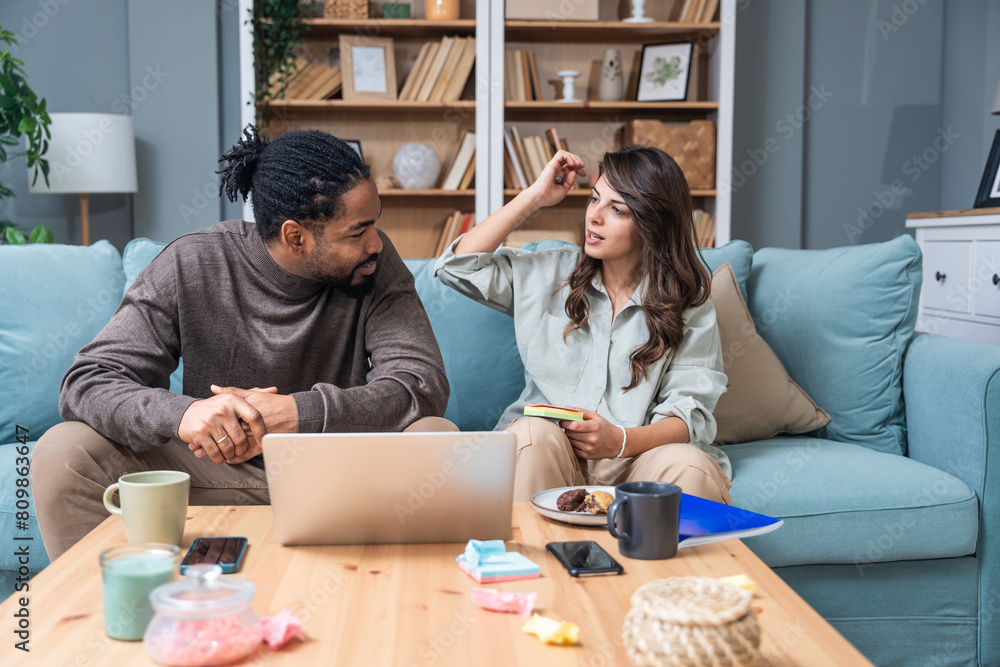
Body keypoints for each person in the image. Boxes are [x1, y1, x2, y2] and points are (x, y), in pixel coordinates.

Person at [31, 125, 453, 559]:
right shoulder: (193, 262)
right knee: (64, 452)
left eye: (375, 223)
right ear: (295, 237)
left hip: (338, 470)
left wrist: (296, 413)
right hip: (214, 471)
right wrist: (185, 414)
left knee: (436, 438)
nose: (375, 242)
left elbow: (420, 383)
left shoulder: (375, 264)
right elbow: (89, 381)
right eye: (357, 231)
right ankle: (121, 596)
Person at [435, 146, 731, 504]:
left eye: (617, 209)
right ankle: (532, 541)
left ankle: (655, 541)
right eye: (594, 199)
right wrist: (534, 197)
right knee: (531, 435)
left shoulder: (689, 303)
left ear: (653, 224)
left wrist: (619, 441)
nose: (594, 216)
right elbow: (456, 267)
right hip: (549, 455)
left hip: (638, 458)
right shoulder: (549, 272)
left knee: (689, 464)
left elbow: (689, 416)